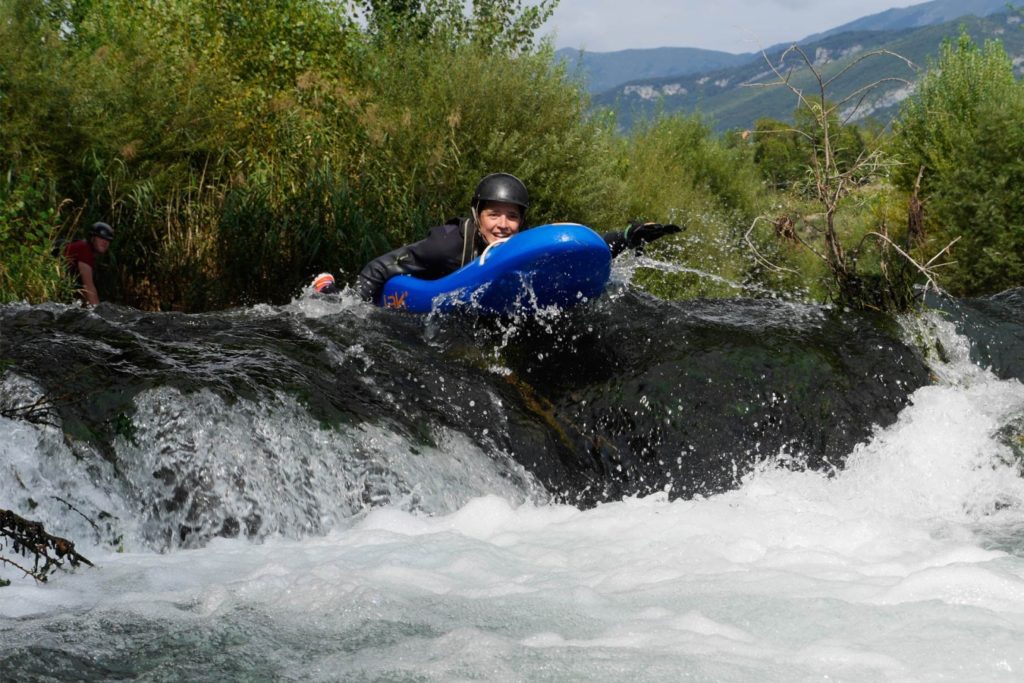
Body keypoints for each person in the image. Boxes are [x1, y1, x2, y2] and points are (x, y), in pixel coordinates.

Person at [312, 173, 680, 300]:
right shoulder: (446, 244)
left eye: (513, 217)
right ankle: (325, 287)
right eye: (494, 214)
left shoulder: (515, 244)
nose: (503, 224)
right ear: (477, 215)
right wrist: (344, 306)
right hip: (425, 289)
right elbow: (381, 267)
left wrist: (629, 236)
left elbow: (573, 249)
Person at [64, 221, 114, 306]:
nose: (105, 242)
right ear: (92, 238)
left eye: (108, 240)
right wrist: (98, 315)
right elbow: (88, 287)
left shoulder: (86, 249)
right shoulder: (84, 249)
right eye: (101, 238)